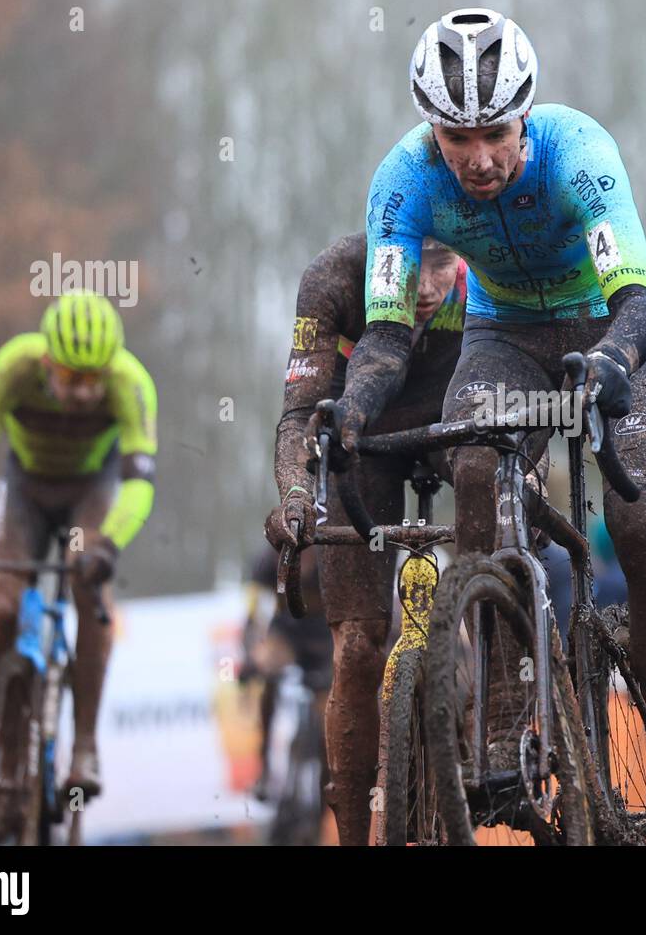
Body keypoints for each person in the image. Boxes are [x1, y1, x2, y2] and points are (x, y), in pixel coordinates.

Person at [329, 7, 646, 844]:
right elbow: (388, 331)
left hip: (610, 329)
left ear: (526, 115)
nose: (477, 158)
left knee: (641, 527)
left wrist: (615, 361)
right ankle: (509, 712)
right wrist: (354, 409)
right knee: (475, 466)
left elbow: (640, 300)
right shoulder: (403, 180)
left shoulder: (580, 152)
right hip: (503, 334)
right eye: (454, 138)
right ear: (431, 131)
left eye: (495, 134)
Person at [264, 232, 465, 845]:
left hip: (457, 419)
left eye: (440, 265)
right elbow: (300, 413)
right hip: (363, 440)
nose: (426, 289)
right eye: (408, 268)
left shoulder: (483, 262)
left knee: (503, 520)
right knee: (355, 646)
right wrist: (297, 496)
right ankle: (353, 829)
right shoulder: (333, 278)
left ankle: (504, 712)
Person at [0, 290, 157, 796]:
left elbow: (139, 484)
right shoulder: (11, 368)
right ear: (47, 360)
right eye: (73, 378)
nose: (84, 394)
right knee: (4, 601)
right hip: (25, 488)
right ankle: (7, 738)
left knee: (87, 582)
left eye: (95, 379)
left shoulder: (130, 381)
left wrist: (108, 546)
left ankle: (86, 745)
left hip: (91, 493)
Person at [241, 545, 333, 804]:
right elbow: (253, 615)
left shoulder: (329, 556)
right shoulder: (267, 560)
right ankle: (264, 763)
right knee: (267, 672)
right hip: (286, 634)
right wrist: (250, 654)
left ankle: (331, 780)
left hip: (324, 639)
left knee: (329, 714)